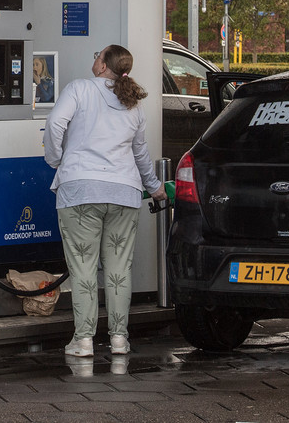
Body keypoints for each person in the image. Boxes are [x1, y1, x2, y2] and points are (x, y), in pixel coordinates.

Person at [44, 44, 166, 357]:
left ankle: (84, 340)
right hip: (123, 194)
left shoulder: (79, 89)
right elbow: (140, 152)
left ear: (102, 65)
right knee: (118, 270)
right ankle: (119, 339)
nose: (94, 59)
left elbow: (56, 123)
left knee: (83, 269)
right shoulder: (133, 103)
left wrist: (57, 159)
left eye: (96, 55)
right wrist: (154, 187)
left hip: (80, 191)